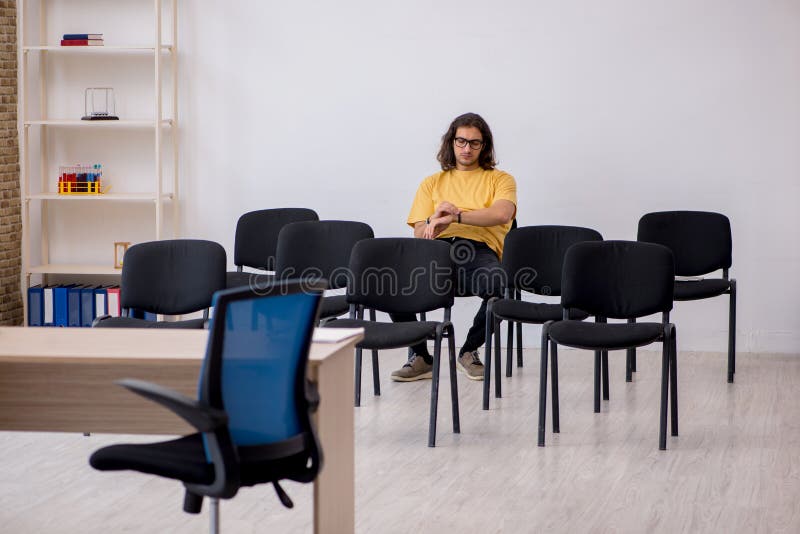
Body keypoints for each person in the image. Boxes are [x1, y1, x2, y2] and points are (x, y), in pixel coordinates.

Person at [390, 112, 517, 382]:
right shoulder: (432, 183)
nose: (467, 148)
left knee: (500, 286)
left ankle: (469, 350)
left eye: (474, 143)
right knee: (393, 282)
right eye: (461, 141)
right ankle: (421, 356)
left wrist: (456, 216)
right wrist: (434, 220)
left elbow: (503, 214)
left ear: (484, 146)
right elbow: (419, 233)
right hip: (436, 251)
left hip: (478, 251)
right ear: (451, 142)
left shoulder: (500, 179)